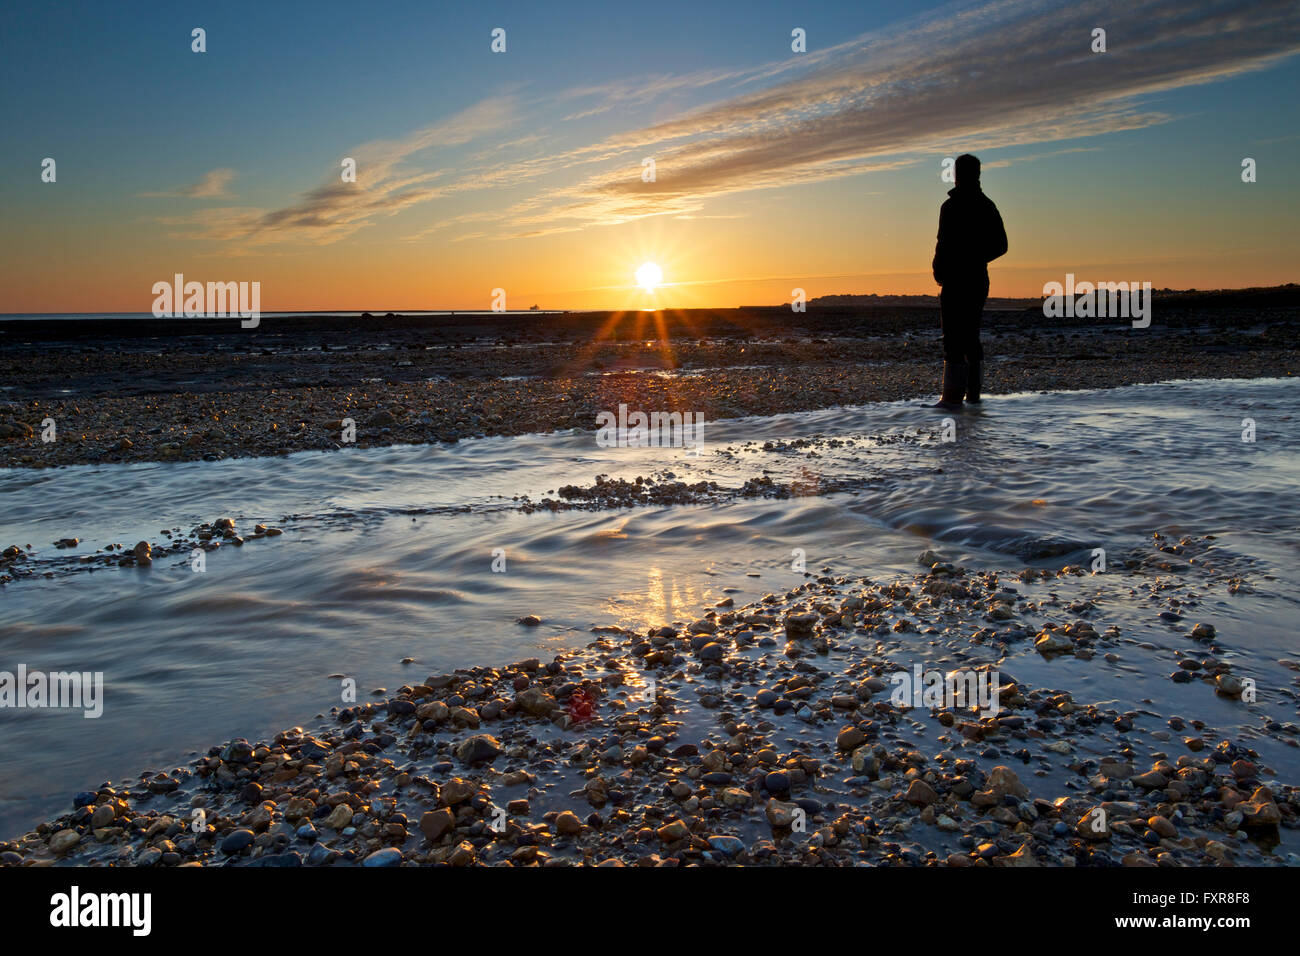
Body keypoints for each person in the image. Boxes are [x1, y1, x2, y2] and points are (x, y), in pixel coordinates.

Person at [930, 154, 1007, 409]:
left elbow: (1000, 246)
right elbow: (1000, 246)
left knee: (954, 337)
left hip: (962, 280)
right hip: (970, 279)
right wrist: (943, 269)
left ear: (957, 174)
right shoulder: (983, 205)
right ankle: (972, 399)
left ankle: (952, 399)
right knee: (969, 336)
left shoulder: (956, 207)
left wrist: (961, 262)